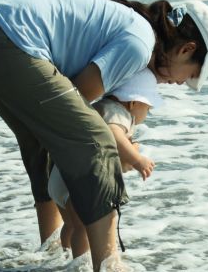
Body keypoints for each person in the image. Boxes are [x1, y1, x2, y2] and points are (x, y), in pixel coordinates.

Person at [0, 0, 208, 272]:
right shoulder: (140, 43)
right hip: (9, 40)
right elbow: (82, 96)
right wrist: (123, 151)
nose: (180, 84)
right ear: (186, 49)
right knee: (98, 141)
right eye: (190, 76)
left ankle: (49, 253)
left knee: (42, 140)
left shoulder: (133, 27)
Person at [48, 68, 162, 259]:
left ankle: (64, 257)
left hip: (60, 177)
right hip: (75, 181)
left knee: (72, 225)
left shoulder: (100, 107)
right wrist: (137, 160)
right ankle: (78, 266)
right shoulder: (117, 112)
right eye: (148, 108)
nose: (147, 113)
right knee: (83, 228)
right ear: (133, 102)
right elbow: (114, 134)